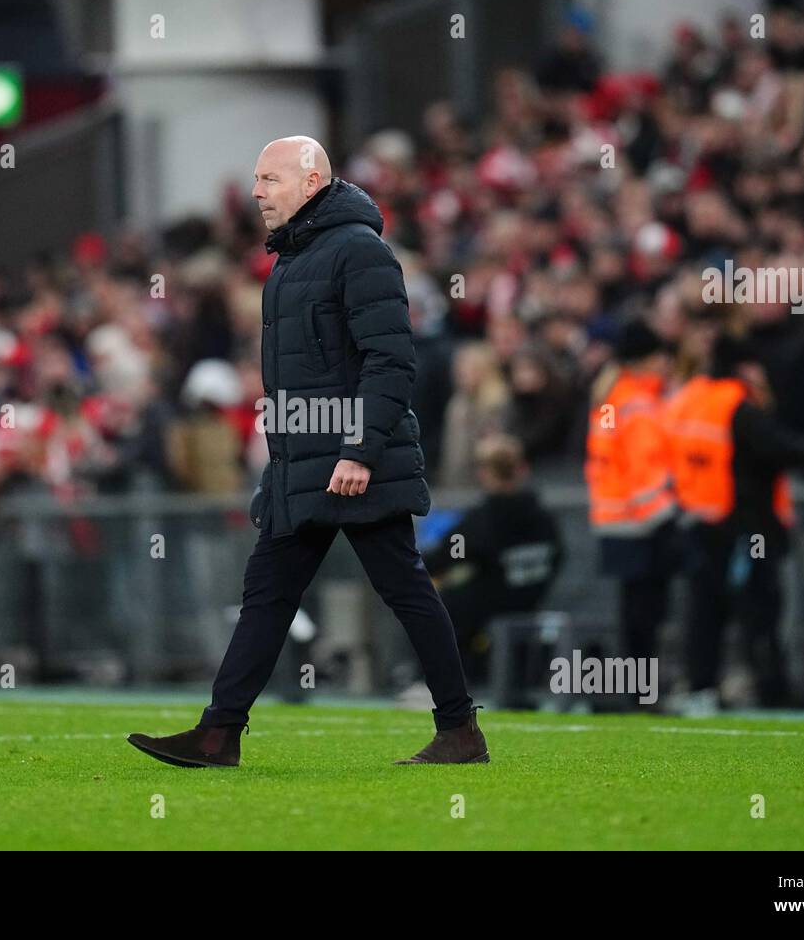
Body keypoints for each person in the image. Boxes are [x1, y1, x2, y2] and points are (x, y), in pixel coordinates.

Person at [127, 136, 486, 767]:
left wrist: (359, 450)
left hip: (351, 465)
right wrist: (282, 466)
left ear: (312, 179)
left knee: (404, 590)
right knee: (268, 594)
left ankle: (459, 729)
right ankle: (219, 732)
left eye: (270, 178)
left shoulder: (358, 251)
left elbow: (389, 361)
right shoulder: (297, 257)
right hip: (302, 464)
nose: (258, 192)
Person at [662, 335, 804, 714]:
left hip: (697, 520)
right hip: (745, 524)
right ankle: (771, 687)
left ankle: (703, 685)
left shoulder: (688, 400)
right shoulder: (738, 406)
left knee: (705, 611)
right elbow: (779, 447)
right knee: (760, 609)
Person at [421, 433, 564, 683]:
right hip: (533, 598)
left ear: (485, 473)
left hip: (492, 604)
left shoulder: (482, 521)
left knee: (439, 606)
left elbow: (439, 559)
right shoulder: (542, 516)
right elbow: (558, 556)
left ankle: (447, 682)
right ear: (521, 469)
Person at [585, 319, 677, 668]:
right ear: (650, 358)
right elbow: (644, 465)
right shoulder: (638, 402)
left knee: (633, 612)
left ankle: (635, 689)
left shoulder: (610, 397)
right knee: (647, 614)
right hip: (644, 520)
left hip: (614, 518)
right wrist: (664, 513)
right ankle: (643, 692)